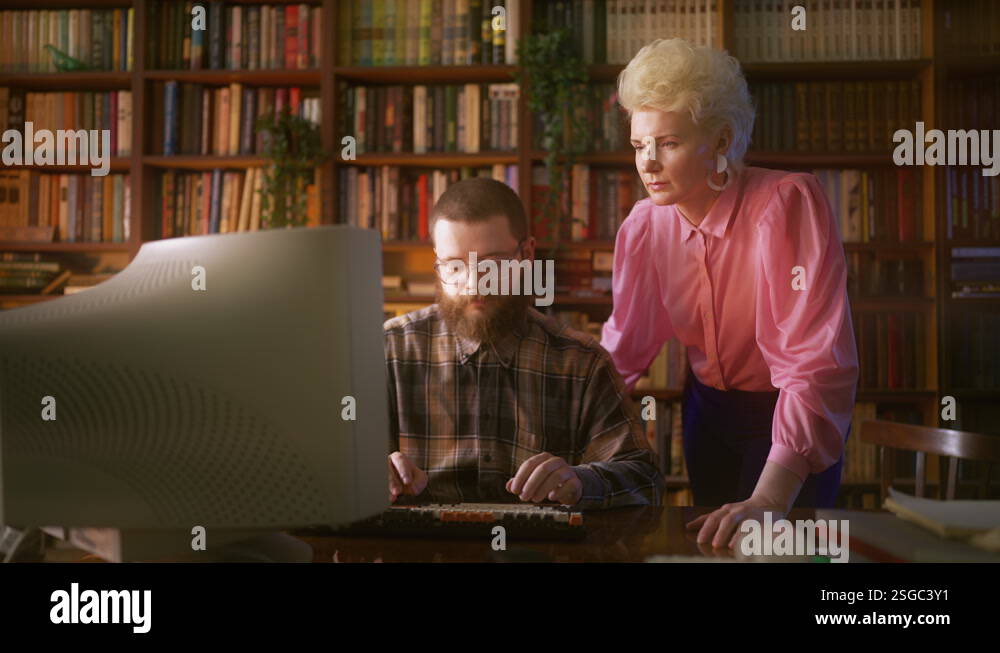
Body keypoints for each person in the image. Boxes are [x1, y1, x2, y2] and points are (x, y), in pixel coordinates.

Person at [600, 39, 859, 547]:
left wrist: (767, 500)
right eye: (638, 145)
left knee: (781, 552)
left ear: (720, 141)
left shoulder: (786, 205)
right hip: (707, 413)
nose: (648, 164)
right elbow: (623, 348)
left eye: (668, 143)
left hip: (787, 415)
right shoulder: (644, 227)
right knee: (716, 551)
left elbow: (813, 366)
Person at [384, 177, 664, 509]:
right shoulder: (390, 350)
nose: (474, 284)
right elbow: (326, 467)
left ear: (527, 254)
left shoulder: (582, 363)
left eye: (493, 263)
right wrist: (369, 473)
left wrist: (581, 482)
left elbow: (646, 483)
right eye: (454, 266)